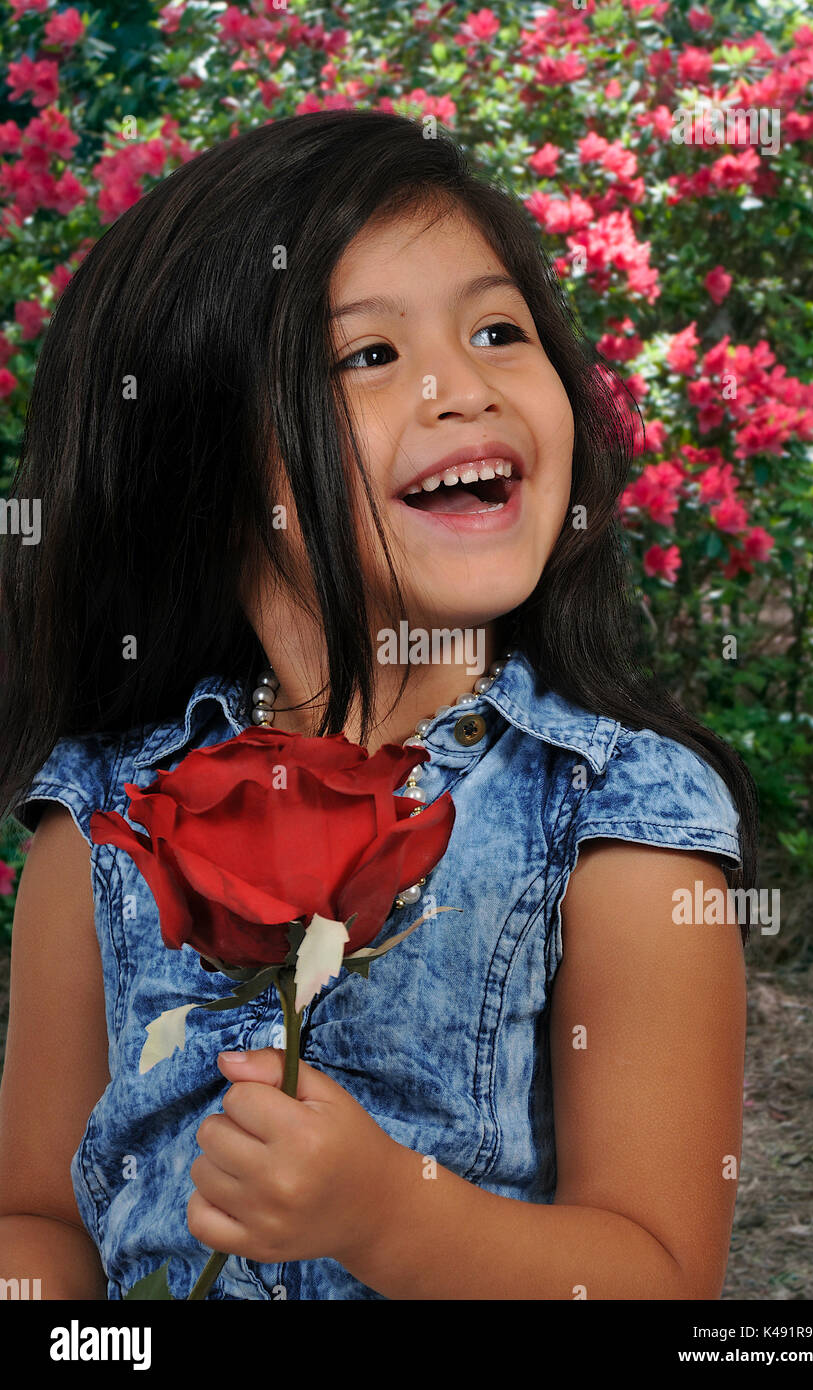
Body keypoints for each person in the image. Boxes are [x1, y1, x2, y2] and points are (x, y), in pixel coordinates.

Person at [0, 109, 756, 1300]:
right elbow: (41, 1214)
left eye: (499, 330)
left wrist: (388, 1217)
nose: (464, 388)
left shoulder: (621, 819)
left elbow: (656, 1276)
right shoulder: (101, 818)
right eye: (367, 355)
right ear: (199, 464)